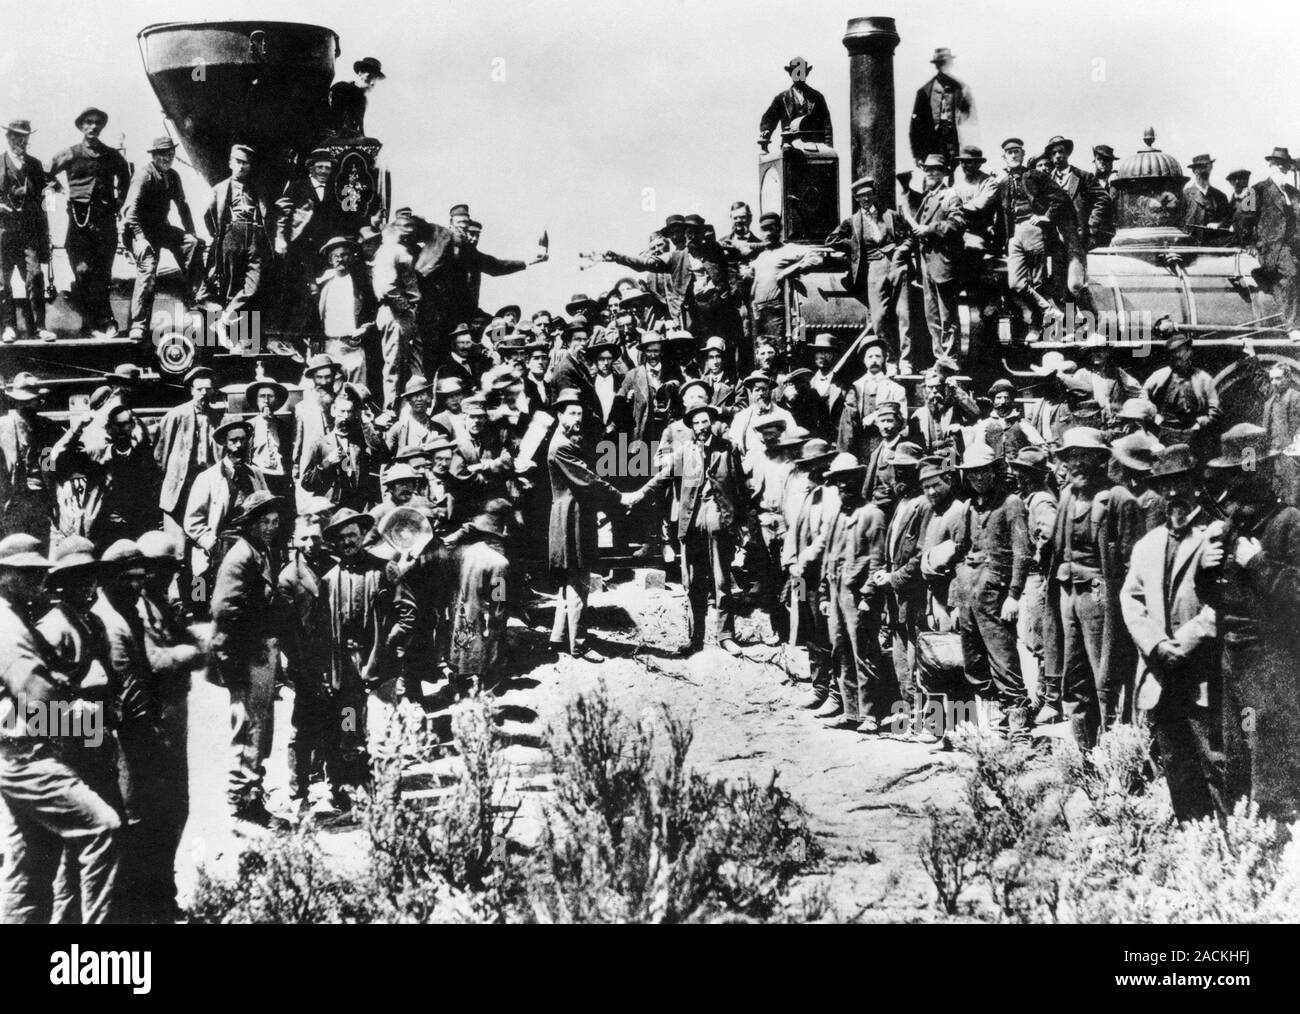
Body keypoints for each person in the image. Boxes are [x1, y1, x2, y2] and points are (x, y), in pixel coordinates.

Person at [0, 534, 121, 924]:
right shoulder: (7, 626)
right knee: (104, 828)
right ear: (4, 577)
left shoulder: (14, 619)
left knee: (30, 867)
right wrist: (92, 722)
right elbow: (40, 703)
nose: (38, 584)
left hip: (17, 754)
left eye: (40, 575)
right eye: (28, 575)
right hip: (25, 757)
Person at [1198, 424, 1300, 821]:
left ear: (1264, 474)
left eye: (1244, 477)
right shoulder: (1230, 528)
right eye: (1230, 479)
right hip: (1234, 661)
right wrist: (1204, 574)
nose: (1236, 489)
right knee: (1239, 764)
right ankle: (1244, 847)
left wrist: (1256, 563)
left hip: (1273, 664)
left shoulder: (1289, 523)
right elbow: (1220, 597)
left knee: (1273, 768)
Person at [1120, 444, 1224, 823]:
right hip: (1161, 674)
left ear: (1195, 484)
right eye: (1165, 485)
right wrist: (1157, 644)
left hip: (1202, 674)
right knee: (1176, 766)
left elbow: (1223, 601)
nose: (1172, 493)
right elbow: (1131, 601)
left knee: (1216, 765)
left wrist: (1187, 642)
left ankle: (1228, 855)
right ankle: (1191, 844)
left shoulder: (1215, 535)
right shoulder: (1147, 545)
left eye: (1179, 483)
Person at [1044, 426, 1143, 749]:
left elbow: (1132, 563)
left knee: (1107, 680)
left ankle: (1117, 760)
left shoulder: (1119, 499)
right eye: (1071, 457)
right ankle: (1085, 755)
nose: (1076, 464)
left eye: (1084, 456)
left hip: (1101, 600)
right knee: (1073, 679)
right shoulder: (1067, 497)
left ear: (1100, 460)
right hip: (1067, 597)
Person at [630, 402, 747, 655]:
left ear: (712, 423)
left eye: (705, 422)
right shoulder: (686, 451)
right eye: (696, 423)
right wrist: (638, 495)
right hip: (692, 520)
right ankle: (695, 639)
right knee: (693, 581)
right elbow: (662, 478)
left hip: (718, 516)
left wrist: (741, 526)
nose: (701, 427)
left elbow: (739, 489)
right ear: (692, 427)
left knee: (722, 580)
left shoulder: (726, 449)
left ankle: (726, 635)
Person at [208, 491, 288, 828]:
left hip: (259, 653)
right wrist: (237, 665)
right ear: (250, 524)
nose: (270, 527)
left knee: (260, 728)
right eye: (264, 522)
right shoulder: (242, 556)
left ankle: (252, 795)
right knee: (248, 730)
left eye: (274, 522)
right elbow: (224, 611)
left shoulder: (260, 552)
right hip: (245, 656)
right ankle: (241, 803)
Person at [133, 531, 197, 917]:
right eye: (160, 568)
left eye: (171, 569)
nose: (167, 575)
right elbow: (154, 661)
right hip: (155, 718)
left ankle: (162, 891)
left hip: (174, 714)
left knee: (176, 806)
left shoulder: (162, 603)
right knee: (158, 809)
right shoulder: (139, 608)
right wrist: (188, 651)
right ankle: (153, 897)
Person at [317, 507, 399, 801]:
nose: (348, 542)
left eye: (352, 535)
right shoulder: (328, 580)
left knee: (382, 730)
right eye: (341, 538)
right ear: (335, 544)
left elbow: (409, 613)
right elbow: (324, 631)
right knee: (349, 726)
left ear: (363, 536)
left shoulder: (384, 570)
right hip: (347, 672)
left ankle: (389, 795)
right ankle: (356, 787)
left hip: (380, 667)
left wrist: (390, 647)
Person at [546, 389, 634, 662]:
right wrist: (620, 497)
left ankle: (559, 638)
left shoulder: (565, 441)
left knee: (571, 581)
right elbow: (590, 480)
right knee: (579, 582)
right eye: (571, 414)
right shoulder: (562, 446)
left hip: (572, 516)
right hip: (571, 519)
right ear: (559, 414)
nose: (577, 420)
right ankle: (579, 645)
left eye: (580, 415)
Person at [952, 443, 1031, 740]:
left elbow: (1022, 552)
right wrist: (958, 592)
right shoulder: (970, 506)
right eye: (972, 473)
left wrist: (1013, 595)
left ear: (994, 471)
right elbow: (962, 549)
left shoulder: (1011, 504)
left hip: (997, 596)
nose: (977, 478)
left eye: (982, 472)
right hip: (969, 595)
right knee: (974, 662)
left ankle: (1020, 730)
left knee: (1004, 660)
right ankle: (995, 726)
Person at [278, 513, 345, 817]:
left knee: (339, 724)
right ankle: (297, 791)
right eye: (304, 537)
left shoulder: (335, 564)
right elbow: (288, 631)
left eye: (316, 537)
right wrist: (299, 668)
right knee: (301, 728)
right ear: (294, 540)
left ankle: (336, 787)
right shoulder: (288, 577)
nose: (310, 543)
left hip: (336, 658)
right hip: (305, 661)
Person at [817, 453, 887, 732]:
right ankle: (851, 711)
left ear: (858, 480)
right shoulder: (836, 516)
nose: (843, 486)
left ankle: (871, 713)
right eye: (838, 482)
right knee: (840, 650)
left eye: (847, 480)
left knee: (864, 651)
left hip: (858, 597)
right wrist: (823, 594)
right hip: (836, 595)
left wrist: (869, 595)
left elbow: (877, 560)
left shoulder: (873, 514)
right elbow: (828, 557)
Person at [47, 107, 130, 337]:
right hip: (78, 222)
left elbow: (126, 178)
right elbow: (46, 172)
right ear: (81, 126)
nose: (93, 126)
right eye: (88, 122)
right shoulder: (71, 153)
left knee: (103, 274)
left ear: (101, 127)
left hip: (105, 223)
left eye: (97, 123)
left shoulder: (112, 155)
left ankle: (106, 322)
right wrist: (58, 188)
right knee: (83, 272)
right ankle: (94, 322)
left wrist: (118, 204)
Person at [825, 177, 914, 370]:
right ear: (856, 199)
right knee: (879, 317)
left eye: (868, 194)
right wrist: (854, 246)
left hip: (898, 266)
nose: (866, 199)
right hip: (873, 269)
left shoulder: (890, 215)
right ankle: (891, 359)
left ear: (874, 194)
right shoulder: (852, 221)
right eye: (861, 196)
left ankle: (906, 361)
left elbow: (908, 237)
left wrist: (902, 251)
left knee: (904, 314)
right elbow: (831, 240)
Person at [121, 136, 202, 341]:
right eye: (164, 155)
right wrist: (139, 239)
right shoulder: (144, 175)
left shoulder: (173, 176)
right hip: (138, 230)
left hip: (160, 228)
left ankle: (197, 299)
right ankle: (138, 324)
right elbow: (130, 212)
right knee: (148, 267)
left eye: (171, 154)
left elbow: (182, 206)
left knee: (191, 244)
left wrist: (191, 232)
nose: (168, 158)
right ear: (155, 156)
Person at [874, 444, 931, 731]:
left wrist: (895, 577)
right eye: (897, 470)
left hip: (915, 595)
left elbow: (921, 555)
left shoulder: (923, 505)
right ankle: (910, 716)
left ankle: (924, 720)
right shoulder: (901, 503)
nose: (899, 475)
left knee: (916, 657)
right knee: (900, 658)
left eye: (906, 470)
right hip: (896, 597)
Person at [51, 405, 161, 550]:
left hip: (136, 530)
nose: (121, 429)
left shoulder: (144, 458)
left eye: (126, 424)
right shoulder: (96, 456)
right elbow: (54, 458)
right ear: (109, 429)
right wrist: (76, 430)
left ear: (133, 427)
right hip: (102, 529)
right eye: (116, 425)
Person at [183, 417, 270, 602]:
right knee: (201, 598)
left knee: (247, 599)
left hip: (249, 545)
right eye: (233, 441)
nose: (239, 445)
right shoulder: (207, 478)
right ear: (224, 443)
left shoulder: (256, 474)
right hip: (215, 546)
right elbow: (192, 521)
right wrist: (212, 544)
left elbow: (266, 509)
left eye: (243, 440)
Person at [1008, 447, 1061, 723]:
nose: (1015, 476)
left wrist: (1037, 553)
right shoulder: (1028, 498)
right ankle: (1042, 695)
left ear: (1030, 475)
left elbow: (1049, 532)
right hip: (1032, 577)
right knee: (1032, 638)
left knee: (1041, 638)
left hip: (1039, 577)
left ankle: (1049, 698)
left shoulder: (1041, 500)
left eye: (1020, 472)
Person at [200, 145, 272, 349]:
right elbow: (208, 215)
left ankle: (225, 319)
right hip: (232, 236)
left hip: (255, 237)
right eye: (238, 162)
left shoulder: (257, 188)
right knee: (232, 284)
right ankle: (234, 339)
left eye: (245, 163)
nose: (241, 167)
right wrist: (220, 235)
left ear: (250, 166)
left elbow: (267, 214)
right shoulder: (220, 188)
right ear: (231, 163)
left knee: (253, 286)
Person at [0, 118, 55, 342]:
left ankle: (40, 327)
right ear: (8, 138)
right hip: (3, 233)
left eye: (24, 137)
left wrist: (47, 229)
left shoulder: (36, 165)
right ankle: (8, 327)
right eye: (15, 137)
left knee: (36, 276)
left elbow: (47, 200)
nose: (19, 141)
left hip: (29, 234)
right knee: (2, 281)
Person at [275, 149, 338, 337]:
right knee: (302, 292)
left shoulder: (333, 191)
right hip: (300, 248)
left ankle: (317, 337)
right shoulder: (297, 186)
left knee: (321, 293)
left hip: (322, 250)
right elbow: (283, 213)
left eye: (328, 168)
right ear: (311, 168)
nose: (325, 171)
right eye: (320, 167)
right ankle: (289, 337)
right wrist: (280, 237)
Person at [910, 155, 966, 363]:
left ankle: (950, 360)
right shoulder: (928, 197)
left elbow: (957, 223)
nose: (930, 173)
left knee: (947, 317)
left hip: (943, 264)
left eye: (935, 170)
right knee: (932, 317)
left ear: (944, 173)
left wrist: (929, 229)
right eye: (927, 169)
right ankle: (939, 360)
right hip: (926, 264)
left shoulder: (950, 195)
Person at [1238, 147, 1300, 335]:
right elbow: (1243, 218)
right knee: (1291, 273)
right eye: (1278, 164)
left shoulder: (1293, 192)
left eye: (1285, 165)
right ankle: (1293, 326)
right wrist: (1248, 243)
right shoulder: (1256, 190)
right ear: (1270, 165)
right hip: (1272, 248)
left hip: (1293, 246)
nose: (1282, 168)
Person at [301, 384, 389, 510]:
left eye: (350, 411)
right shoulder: (320, 444)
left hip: (358, 505)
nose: (346, 416)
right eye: (342, 411)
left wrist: (366, 423)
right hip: (331, 506)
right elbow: (306, 484)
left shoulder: (361, 441)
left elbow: (383, 456)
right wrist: (327, 463)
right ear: (333, 411)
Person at [371, 211, 424, 411]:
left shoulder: (404, 251)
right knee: (394, 366)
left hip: (406, 314)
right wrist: (407, 308)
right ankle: (391, 410)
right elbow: (388, 287)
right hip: (396, 313)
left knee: (414, 365)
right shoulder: (389, 250)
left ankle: (414, 410)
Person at [741, 212, 823, 342]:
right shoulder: (761, 256)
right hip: (757, 312)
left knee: (778, 349)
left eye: (771, 228)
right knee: (760, 352)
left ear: (778, 229)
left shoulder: (788, 249)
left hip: (776, 310)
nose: (767, 233)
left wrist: (790, 270)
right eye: (764, 229)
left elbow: (816, 257)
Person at [0, 372, 62, 540]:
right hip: (11, 501)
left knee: (39, 549)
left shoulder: (47, 428)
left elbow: (49, 462)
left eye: (30, 400)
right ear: (14, 400)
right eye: (22, 401)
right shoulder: (3, 427)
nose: (26, 405)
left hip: (40, 500)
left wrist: (52, 496)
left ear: (39, 401)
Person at [1141, 330, 1221, 452]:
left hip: (1194, 433)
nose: (1178, 355)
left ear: (1189, 352)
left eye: (1181, 351)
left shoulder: (1203, 378)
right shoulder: (1159, 376)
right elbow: (1142, 397)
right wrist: (1154, 416)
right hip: (1166, 432)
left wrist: (1201, 423)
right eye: (1173, 352)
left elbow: (1215, 408)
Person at [316, 235, 378, 391]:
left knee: (357, 392)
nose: (340, 259)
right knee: (330, 391)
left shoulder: (363, 283)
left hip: (353, 347)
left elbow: (375, 310)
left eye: (344, 255)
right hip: (330, 346)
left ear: (351, 257)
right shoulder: (325, 285)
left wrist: (366, 327)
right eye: (335, 256)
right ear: (330, 260)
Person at [836, 336, 907, 461]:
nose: (874, 360)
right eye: (870, 357)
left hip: (885, 444)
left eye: (878, 356)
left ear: (885, 358)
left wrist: (875, 416)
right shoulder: (855, 387)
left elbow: (903, 419)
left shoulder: (896, 389)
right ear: (864, 360)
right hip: (860, 445)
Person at [908, 48, 973, 167]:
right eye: (941, 64)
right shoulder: (925, 91)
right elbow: (916, 126)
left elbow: (969, 120)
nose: (944, 67)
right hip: (934, 144)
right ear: (937, 66)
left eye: (947, 63)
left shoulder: (960, 89)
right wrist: (917, 154)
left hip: (956, 142)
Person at [1043, 135, 1108, 252]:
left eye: (1061, 152)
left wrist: (1092, 225)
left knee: (1076, 268)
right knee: (1057, 270)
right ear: (1050, 157)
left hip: (1078, 236)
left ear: (1067, 153)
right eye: (1053, 153)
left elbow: (1103, 198)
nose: (1057, 156)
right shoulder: (1047, 181)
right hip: (1055, 238)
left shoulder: (1083, 177)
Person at [293, 354, 341, 509]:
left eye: (328, 377)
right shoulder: (302, 408)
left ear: (334, 377)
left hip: (340, 468)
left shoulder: (343, 404)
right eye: (319, 377)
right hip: (313, 471)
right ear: (312, 378)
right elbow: (298, 444)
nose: (324, 382)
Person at [758, 55, 833, 151]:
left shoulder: (817, 97)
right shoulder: (781, 98)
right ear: (790, 74)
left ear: (806, 73)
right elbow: (769, 117)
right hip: (790, 148)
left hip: (815, 149)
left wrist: (828, 149)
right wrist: (766, 129)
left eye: (801, 72)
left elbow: (827, 126)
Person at [1263, 363, 1300, 504]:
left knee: (1293, 496)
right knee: (1278, 493)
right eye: (1272, 379)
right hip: (1274, 455)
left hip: (1290, 457)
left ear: (1288, 378)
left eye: (1278, 378)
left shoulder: (1296, 397)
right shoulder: (1271, 400)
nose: (1274, 383)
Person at [328, 56, 385, 138]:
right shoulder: (342, 88)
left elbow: (359, 128)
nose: (372, 82)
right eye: (370, 76)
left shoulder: (363, 100)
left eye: (375, 78)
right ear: (360, 73)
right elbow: (336, 120)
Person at [1183, 153, 1231, 247]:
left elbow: (1228, 220)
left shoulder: (1220, 196)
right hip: (1190, 248)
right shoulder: (1185, 195)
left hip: (1215, 249)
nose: (1205, 169)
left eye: (1208, 166)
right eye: (1201, 167)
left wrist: (1219, 224)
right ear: (1194, 170)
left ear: (1211, 168)